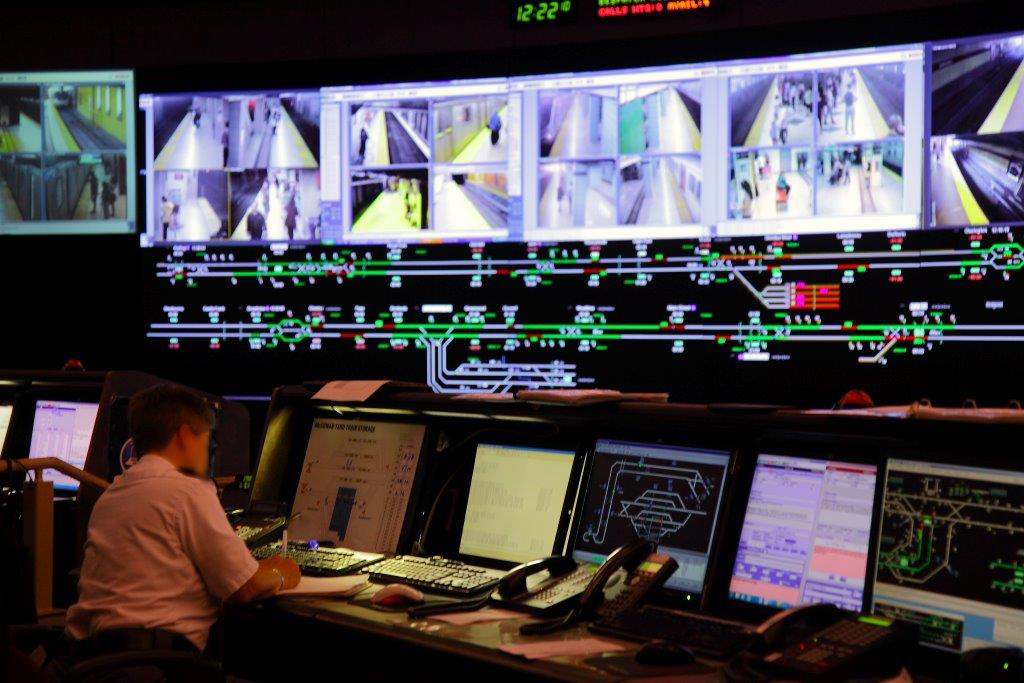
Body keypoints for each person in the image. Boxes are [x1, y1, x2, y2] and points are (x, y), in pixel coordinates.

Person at [59, 385, 299, 678]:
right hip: (155, 666)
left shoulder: (114, 492)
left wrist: (257, 567)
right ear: (184, 435)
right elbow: (243, 588)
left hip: (93, 663)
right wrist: (283, 574)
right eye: (207, 440)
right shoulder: (186, 490)